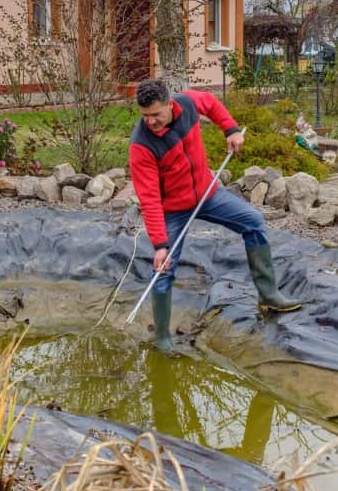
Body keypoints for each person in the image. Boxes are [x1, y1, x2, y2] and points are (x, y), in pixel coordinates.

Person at [129, 79, 302, 353]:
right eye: (145, 116)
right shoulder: (141, 146)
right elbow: (149, 199)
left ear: (170, 104)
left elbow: (209, 102)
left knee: (253, 222)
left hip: (207, 194)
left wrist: (230, 129)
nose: (150, 121)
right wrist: (161, 245)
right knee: (162, 271)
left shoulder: (186, 103)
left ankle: (269, 296)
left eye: (156, 115)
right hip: (172, 210)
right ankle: (162, 337)